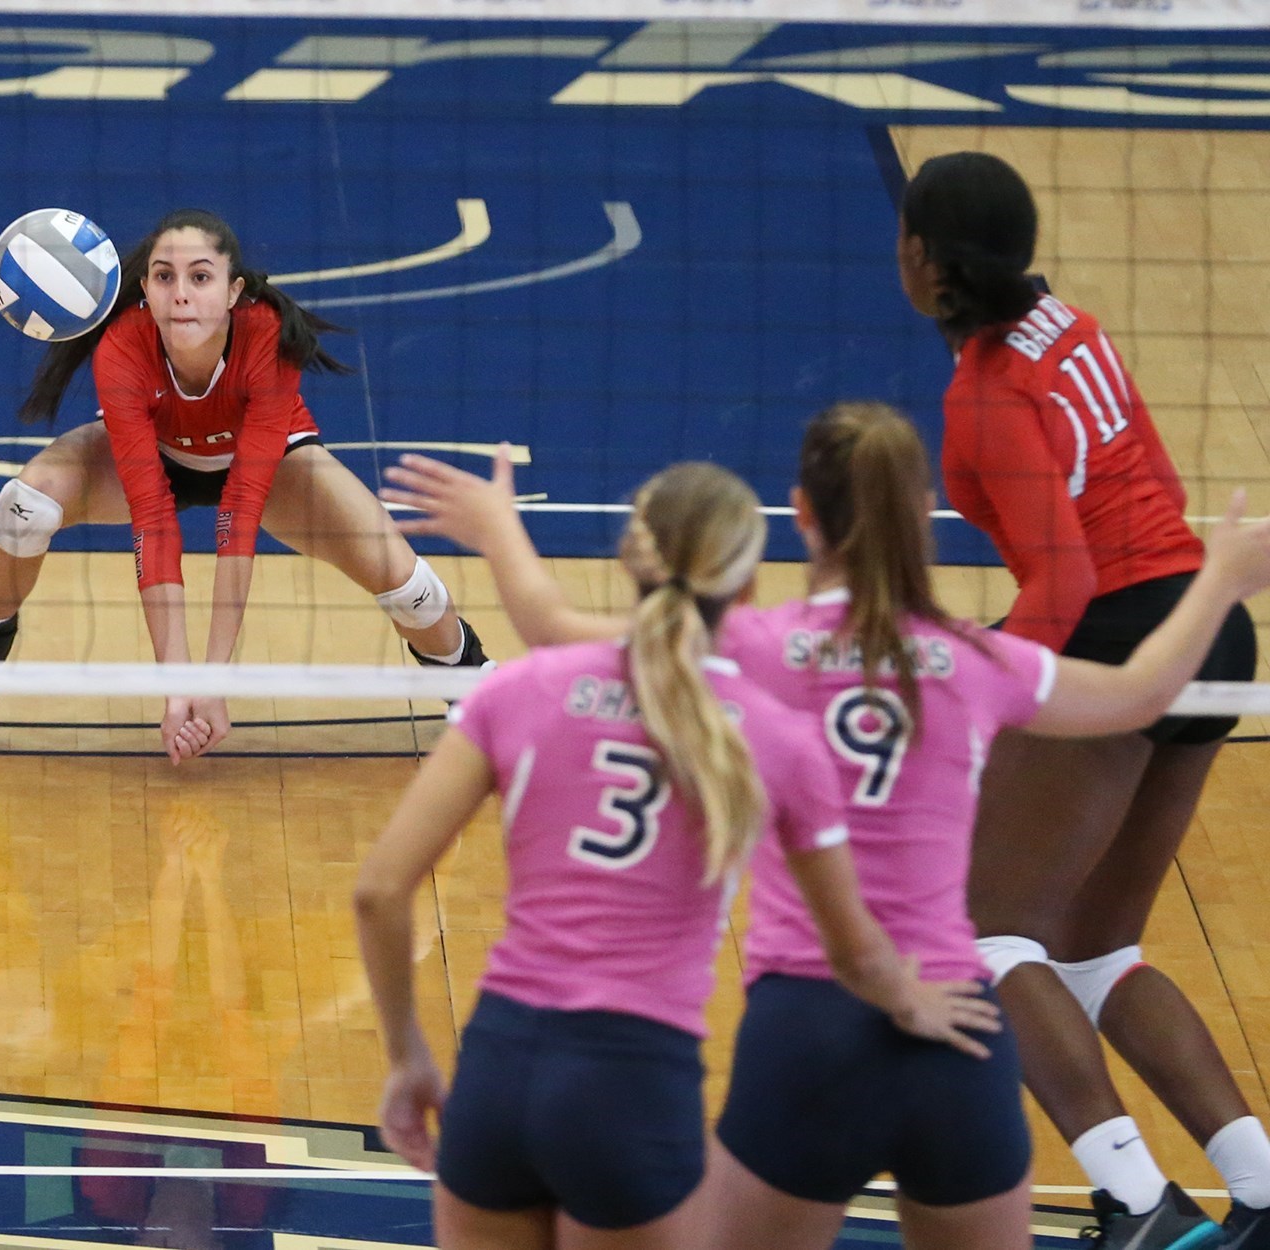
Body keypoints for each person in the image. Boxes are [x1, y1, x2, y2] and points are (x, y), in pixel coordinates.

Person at [378, 402, 1270, 1250]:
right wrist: (1221, 581)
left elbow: (556, 630)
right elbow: (1142, 692)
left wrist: (499, 531)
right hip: (954, 1024)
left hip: (806, 1025)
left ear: (800, 513)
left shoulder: (753, 648)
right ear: (923, 512)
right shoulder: (979, 659)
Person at [354, 460, 998, 1250]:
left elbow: (378, 891)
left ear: (630, 559)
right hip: (632, 1087)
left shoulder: (518, 690)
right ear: (749, 584)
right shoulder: (778, 738)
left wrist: (407, 1056)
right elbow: (855, 951)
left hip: (499, 1070)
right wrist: (910, 1000)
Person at [902, 150, 1266, 1250]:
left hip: (1114, 638)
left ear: (920, 258)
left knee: (975, 933)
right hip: (1206, 626)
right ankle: (1259, 1189)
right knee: (1094, 946)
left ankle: (1136, 1202)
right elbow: (1141, 497)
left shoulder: (984, 396)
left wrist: (980, 703)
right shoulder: (1067, 325)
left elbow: (1061, 582)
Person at [0, 208, 487, 762]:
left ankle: (475, 686)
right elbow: (152, 517)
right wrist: (178, 684)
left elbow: (241, 513)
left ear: (234, 292)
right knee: (25, 506)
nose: (181, 293)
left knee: (405, 581)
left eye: (200, 277)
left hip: (271, 466)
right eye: (165, 277)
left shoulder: (267, 336)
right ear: (145, 289)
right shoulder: (123, 345)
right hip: (159, 457)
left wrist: (214, 679)